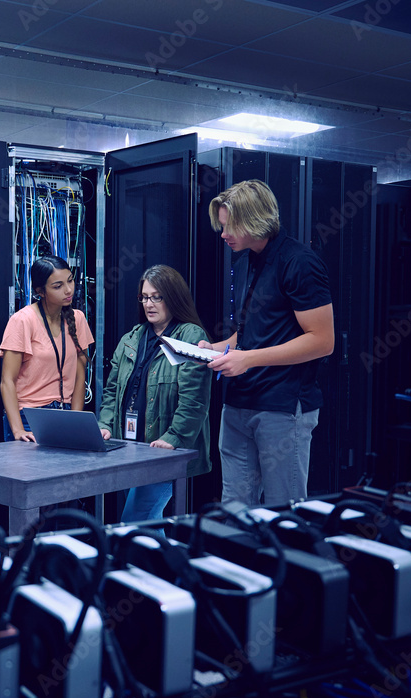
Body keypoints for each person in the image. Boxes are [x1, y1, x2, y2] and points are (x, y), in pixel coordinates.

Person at [201, 179, 335, 507]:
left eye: (229, 226)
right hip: (238, 402)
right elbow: (246, 336)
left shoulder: (299, 262)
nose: (223, 235)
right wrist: (213, 349)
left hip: (282, 405)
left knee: (283, 509)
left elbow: (323, 341)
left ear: (253, 220)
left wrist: (247, 359)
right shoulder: (245, 262)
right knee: (234, 509)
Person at [97, 265, 212, 522]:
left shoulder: (190, 336)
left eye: (157, 297)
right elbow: (112, 390)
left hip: (162, 450)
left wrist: (174, 437)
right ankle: (157, 563)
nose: (149, 303)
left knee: (135, 519)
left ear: (173, 297)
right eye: (145, 297)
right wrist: (105, 424)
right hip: (127, 447)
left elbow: (194, 400)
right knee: (146, 524)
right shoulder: (132, 337)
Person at [0, 255, 95, 442]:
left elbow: (79, 376)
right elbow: (7, 381)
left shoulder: (78, 318)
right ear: (40, 291)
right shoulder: (23, 321)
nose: (68, 290)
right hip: (30, 417)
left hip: (65, 413)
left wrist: (75, 420)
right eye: (57, 286)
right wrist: (18, 429)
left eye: (70, 281)